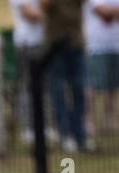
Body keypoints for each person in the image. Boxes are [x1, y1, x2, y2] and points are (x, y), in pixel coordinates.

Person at [43, 0, 92, 151]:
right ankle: (65, 135)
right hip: (55, 45)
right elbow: (43, 5)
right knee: (58, 92)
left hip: (75, 42)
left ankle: (80, 135)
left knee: (79, 90)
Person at [9, 1, 50, 144]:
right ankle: (29, 128)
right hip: (26, 44)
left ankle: (44, 125)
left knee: (44, 87)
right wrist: (55, 14)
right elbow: (30, 14)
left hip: (43, 43)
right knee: (27, 87)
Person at [85, 0, 119, 138]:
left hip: (115, 45)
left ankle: (109, 121)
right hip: (95, 47)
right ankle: (89, 122)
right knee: (91, 86)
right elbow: (101, 10)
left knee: (112, 86)